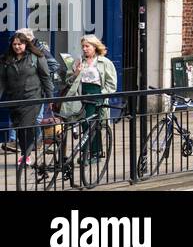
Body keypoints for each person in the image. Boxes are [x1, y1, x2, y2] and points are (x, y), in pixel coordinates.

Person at [58, 35, 118, 157]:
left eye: (87, 46)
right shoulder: (79, 61)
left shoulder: (105, 62)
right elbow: (68, 81)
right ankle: (89, 152)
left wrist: (101, 95)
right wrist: (77, 72)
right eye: (83, 47)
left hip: (96, 94)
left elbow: (112, 84)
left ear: (95, 47)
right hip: (81, 94)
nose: (84, 49)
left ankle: (93, 153)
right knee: (84, 124)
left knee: (92, 123)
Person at [0, 32, 54, 163]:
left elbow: (46, 78)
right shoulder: (5, 59)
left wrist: (51, 98)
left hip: (33, 98)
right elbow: (1, 81)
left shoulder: (36, 57)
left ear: (26, 44)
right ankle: (26, 152)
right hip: (14, 99)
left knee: (26, 125)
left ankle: (26, 154)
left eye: (20, 44)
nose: (17, 46)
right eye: (15, 44)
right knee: (19, 127)